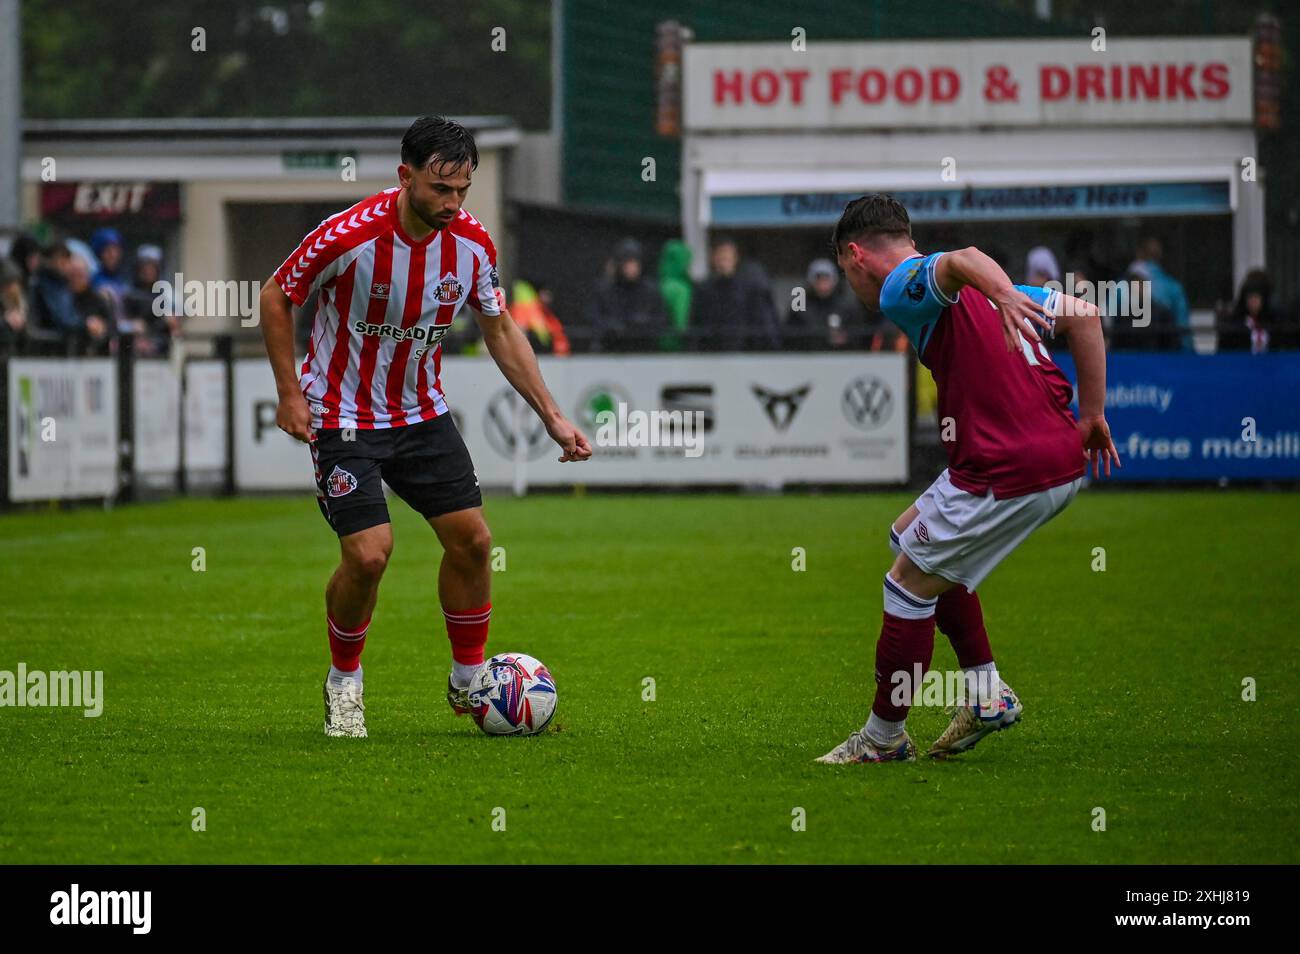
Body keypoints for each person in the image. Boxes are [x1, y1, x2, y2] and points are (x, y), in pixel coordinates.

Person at [259, 115, 592, 739]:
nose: (453, 203)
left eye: (462, 189)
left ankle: (469, 681)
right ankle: (345, 684)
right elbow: (277, 294)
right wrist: (288, 392)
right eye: (441, 189)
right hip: (343, 415)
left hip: (420, 413)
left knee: (472, 541)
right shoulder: (349, 234)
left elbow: (498, 328)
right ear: (405, 175)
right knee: (370, 554)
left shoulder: (472, 244)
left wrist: (551, 414)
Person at [818, 194, 1119, 764]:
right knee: (906, 533)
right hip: (1052, 455)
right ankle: (984, 692)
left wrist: (1003, 292)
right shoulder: (964, 288)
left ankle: (882, 738)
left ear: (855, 255)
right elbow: (1084, 315)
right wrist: (1092, 416)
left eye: (842, 270)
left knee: (906, 585)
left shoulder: (899, 283)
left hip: (1008, 465)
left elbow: (961, 258)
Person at [690, 236, 780, 351]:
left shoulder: (748, 290)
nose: (723, 262)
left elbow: (757, 323)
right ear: (712, 259)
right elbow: (696, 324)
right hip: (712, 355)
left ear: (735, 259)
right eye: (720, 258)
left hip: (741, 353)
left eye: (726, 258)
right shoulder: (703, 290)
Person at [584, 237, 668, 352]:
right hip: (610, 350)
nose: (632, 268)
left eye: (635, 263)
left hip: (644, 352)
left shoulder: (650, 290)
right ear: (619, 264)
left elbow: (661, 318)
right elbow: (592, 316)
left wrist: (643, 324)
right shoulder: (604, 289)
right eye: (628, 263)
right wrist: (612, 327)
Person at [783, 257, 867, 351]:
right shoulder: (799, 306)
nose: (822, 285)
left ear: (834, 281)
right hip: (807, 358)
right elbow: (789, 336)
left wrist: (846, 339)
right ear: (811, 281)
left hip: (840, 358)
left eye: (826, 279)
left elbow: (859, 335)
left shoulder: (846, 307)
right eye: (818, 279)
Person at [1128, 238, 1190, 351]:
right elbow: (1183, 327)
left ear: (1140, 254)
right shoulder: (1174, 287)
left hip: (1133, 356)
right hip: (1165, 356)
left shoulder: (1124, 284)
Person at [1217, 269, 1282, 354]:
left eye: (1257, 298)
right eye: (1250, 298)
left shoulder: (1275, 322)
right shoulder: (1234, 324)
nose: (1253, 302)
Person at [657, 238, 692, 351]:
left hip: (657, 346)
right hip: (677, 347)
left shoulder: (658, 284)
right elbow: (681, 323)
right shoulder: (681, 288)